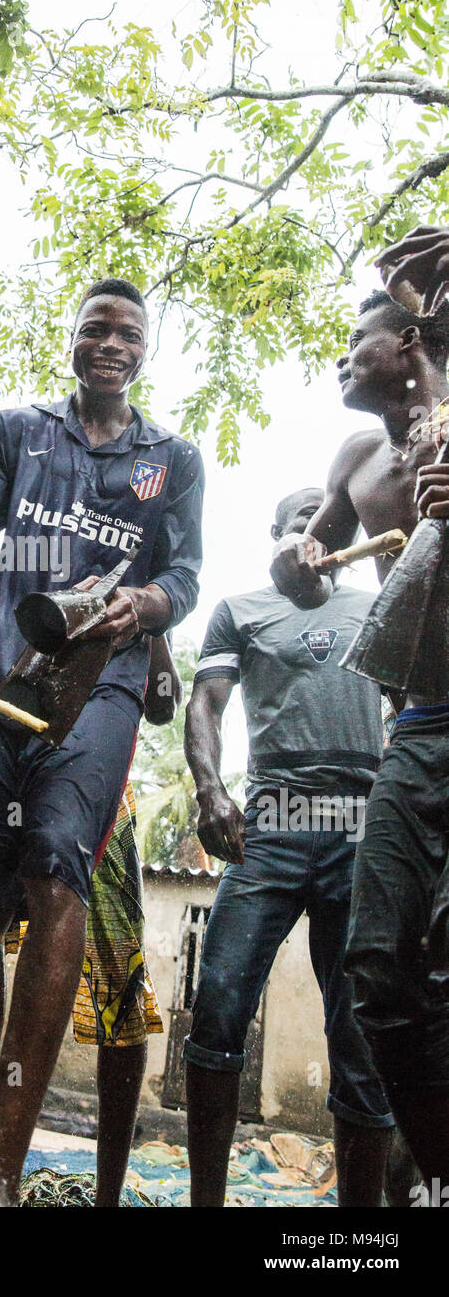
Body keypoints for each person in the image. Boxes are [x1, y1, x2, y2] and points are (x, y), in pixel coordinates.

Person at [0, 277, 204, 1206]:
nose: (110, 342)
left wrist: (142, 603)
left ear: (145, 351)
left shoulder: (174, 458)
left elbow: (185, 577)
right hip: (0, 685)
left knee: (56, 873)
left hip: (105, 687)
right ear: (73, 342)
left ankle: (1, 1171)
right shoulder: (17, 433)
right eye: (94, 328)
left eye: (128, 333)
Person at [270, 258, 449, 1193]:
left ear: (409, 341)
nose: (343, 361)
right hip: (417, 722)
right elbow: (310, 565)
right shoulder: (356, 460)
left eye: (357, 343)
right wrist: (300, 558)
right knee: (377, 966)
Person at [0, 637, 178, 1208]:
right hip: (1, 760)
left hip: (93, 791)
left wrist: (154, 648)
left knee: (119, 987)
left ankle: (105, 1199)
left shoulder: (142, 584)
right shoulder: (24, 565)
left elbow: (160, 704)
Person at [183, 488, 393, 1208]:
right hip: (268, 823)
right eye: (299, 519)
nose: (315, 528)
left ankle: (360, 1240)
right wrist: (211, 789)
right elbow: (206, 703)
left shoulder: (379, 603)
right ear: (275, 535)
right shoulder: (239, 610)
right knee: (217, 1005)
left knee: (360, 1028)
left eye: (327, 517)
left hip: (362, 825)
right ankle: (205, 1202)